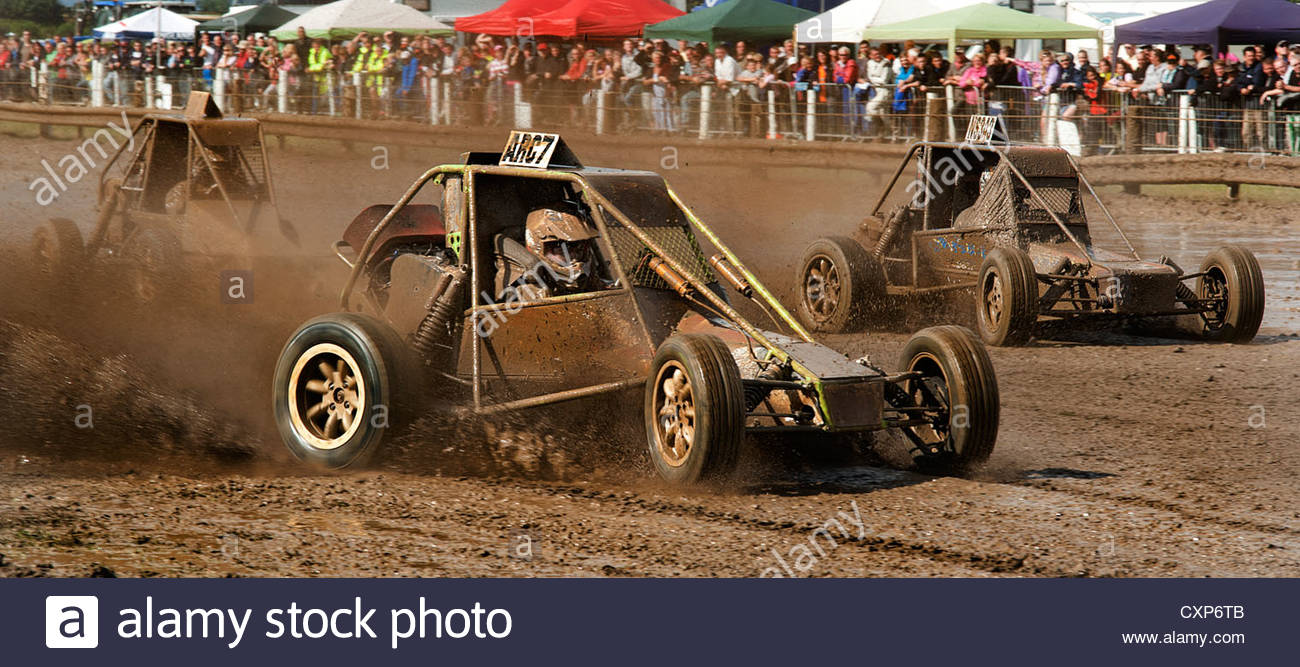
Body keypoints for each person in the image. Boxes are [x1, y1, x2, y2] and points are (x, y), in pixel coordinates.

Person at [495, 202, 606, 302]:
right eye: (560, 249)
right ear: (535, 247)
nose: (574, 257)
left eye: (577, 246)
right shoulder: (531, 290)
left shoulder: (587, 272)